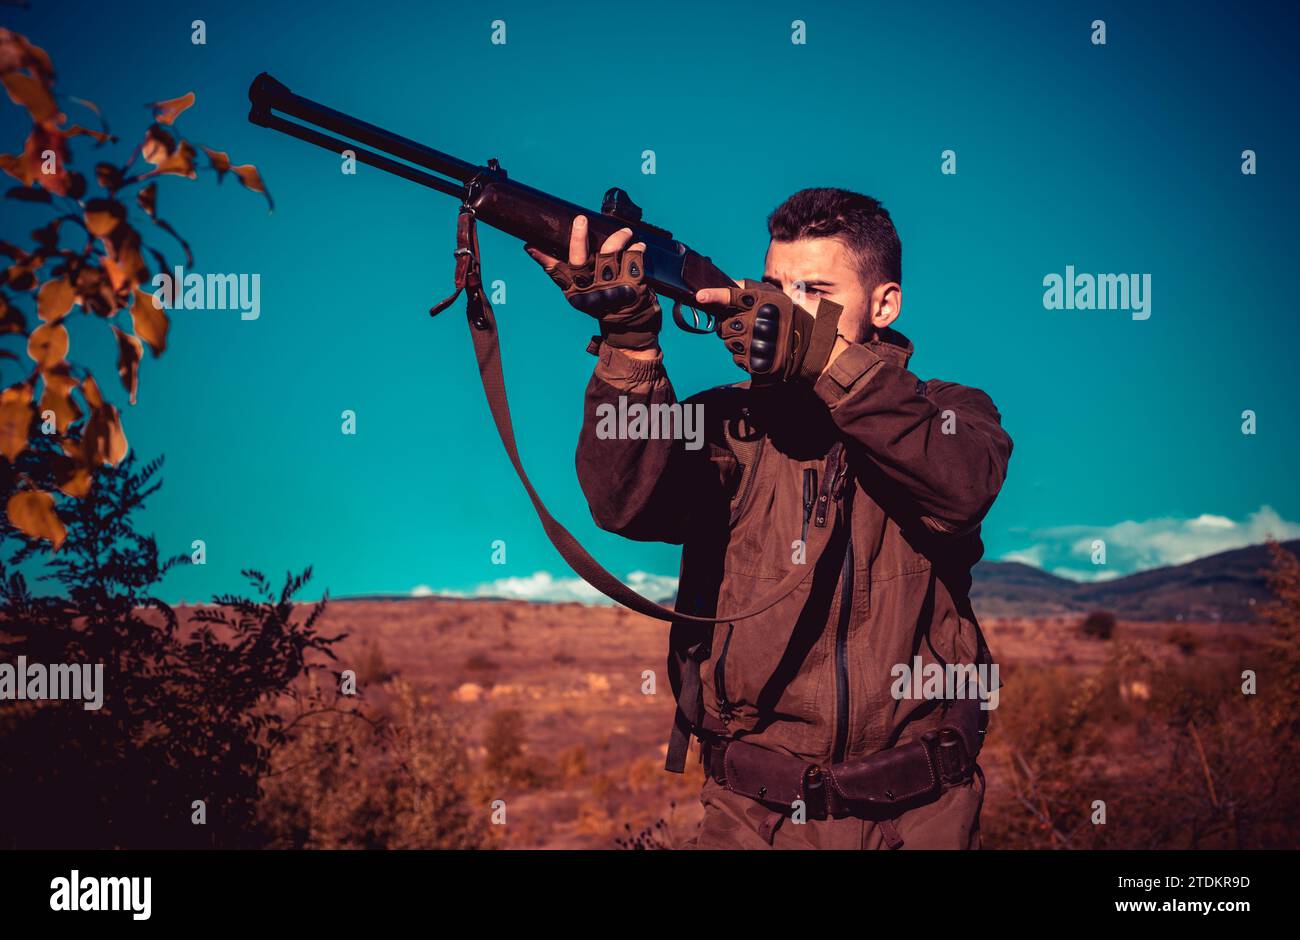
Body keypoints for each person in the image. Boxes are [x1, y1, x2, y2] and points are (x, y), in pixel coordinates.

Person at [526, 188, 1013, 849]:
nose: (784, 307)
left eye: (812, 290)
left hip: (925, 815)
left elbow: (962, 487)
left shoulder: (949, 410)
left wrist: (824, 361)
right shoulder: (728, 421)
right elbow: (624, 504)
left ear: (884, 304)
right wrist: (630, 345)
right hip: (755, 820)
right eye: (776, 287)